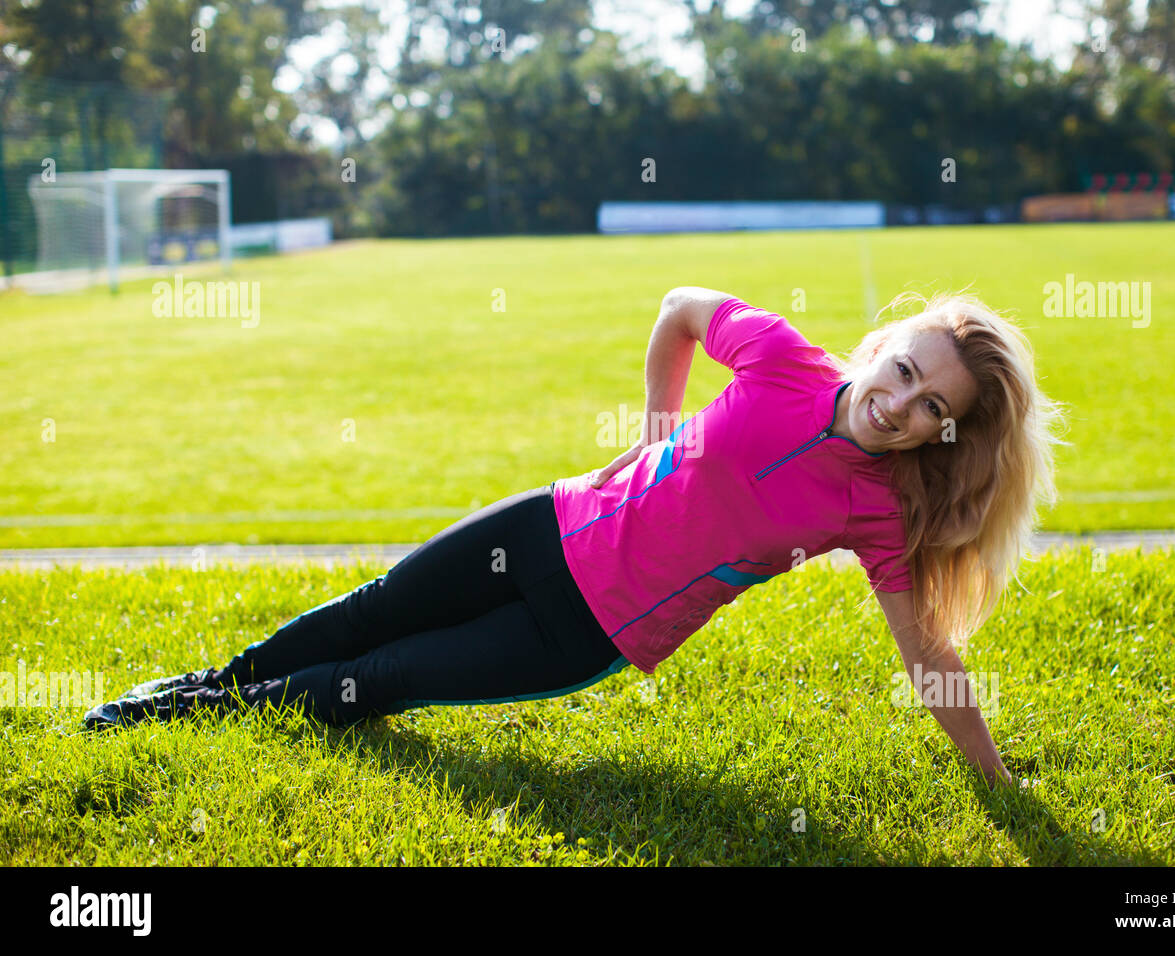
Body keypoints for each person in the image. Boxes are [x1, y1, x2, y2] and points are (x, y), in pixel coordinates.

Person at [85, 288, 1067, 790]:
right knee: (368, 609)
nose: (898, 403)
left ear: (944, 427)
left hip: (585, 631)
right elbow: (679, 309)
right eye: (903, 369)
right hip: (545, 524)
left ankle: (190, 719)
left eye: (930, 404)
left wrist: (993, 770)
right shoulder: (778, 359)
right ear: (884, 343)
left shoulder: (877, 512)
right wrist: (654, 424)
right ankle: (202, 686)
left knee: (383, 674)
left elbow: (925, 650)